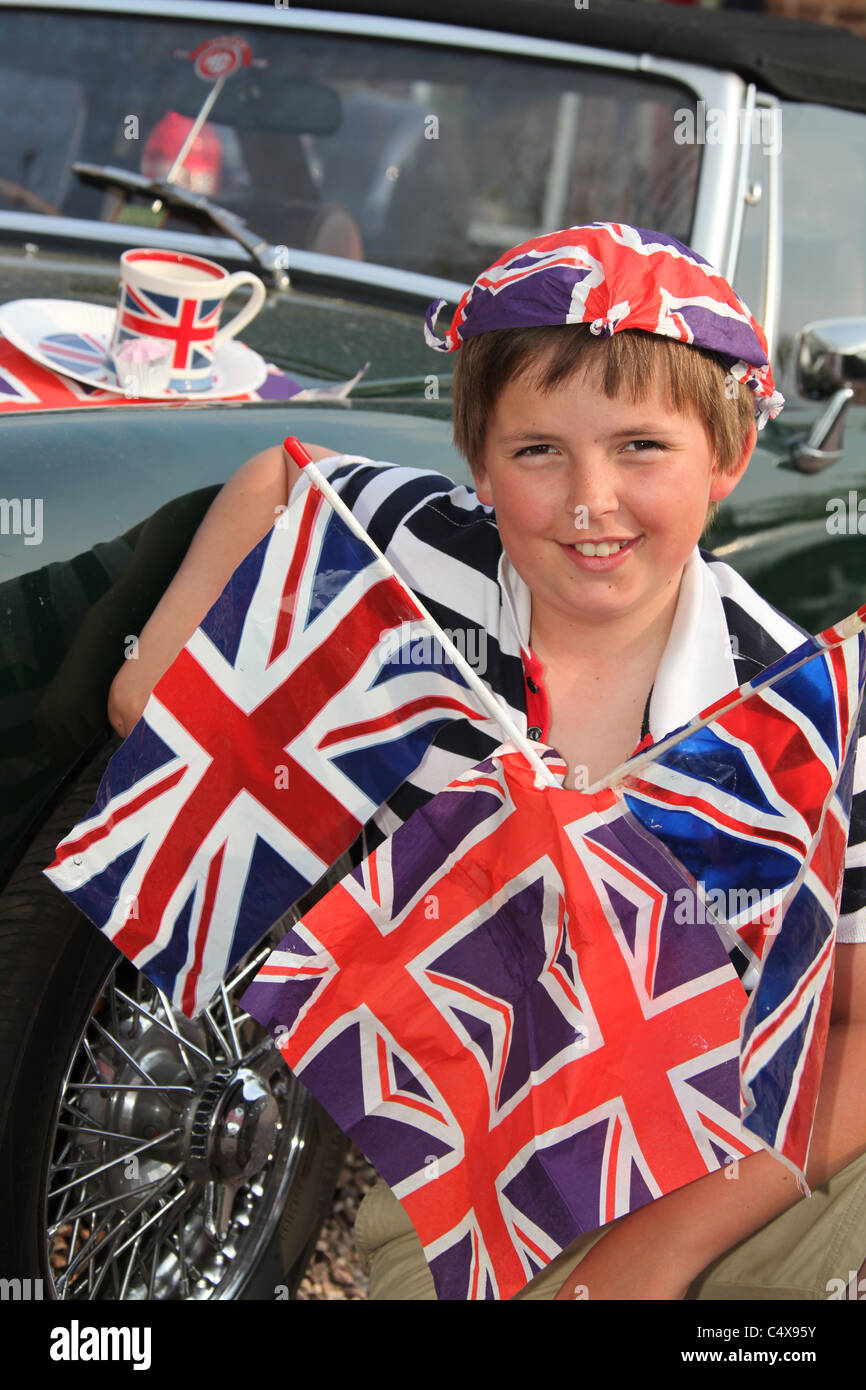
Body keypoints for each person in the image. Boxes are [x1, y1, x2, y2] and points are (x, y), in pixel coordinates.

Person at [107, 223, 866, 1301]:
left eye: (640, 448)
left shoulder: (792, 716)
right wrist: (163, 688)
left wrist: (651, 1259)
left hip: (724, 1150)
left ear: (726, 459)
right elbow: (283, 475)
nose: (587, 501)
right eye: (537, 451)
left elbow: (855, 1028)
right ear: (477, 463)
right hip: (485, 1167)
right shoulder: (430, 550)